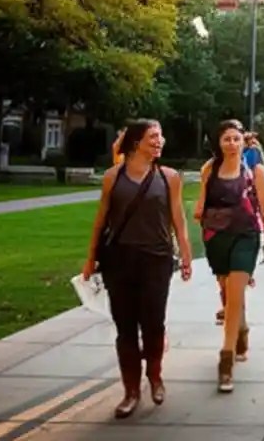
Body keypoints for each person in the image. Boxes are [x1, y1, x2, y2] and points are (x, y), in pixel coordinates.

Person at [82, 119, 191, 419]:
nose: (159, 141)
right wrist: (91, 258)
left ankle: (155, 377)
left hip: (156, 260)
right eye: (153, 136)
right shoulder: (112, 178)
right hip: (119, 260)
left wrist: (185, 254)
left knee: (154, 324)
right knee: (125, 327)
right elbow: (101, 219)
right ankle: (131, 390)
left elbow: (178, 219)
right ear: (136, 142)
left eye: (160, 135)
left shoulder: (169, 177)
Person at [193, 119, 264, 392]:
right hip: (216, 236)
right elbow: (202, 199)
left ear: (244, 142)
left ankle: (226, 359)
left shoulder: (255, 170)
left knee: (236, 291)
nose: (231, 144)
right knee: (227, 293)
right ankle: (240, 328)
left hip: (246, 234)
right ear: (219, 143)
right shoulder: (210, 168)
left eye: (236, 139)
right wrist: (199, 212)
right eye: (226, 139)